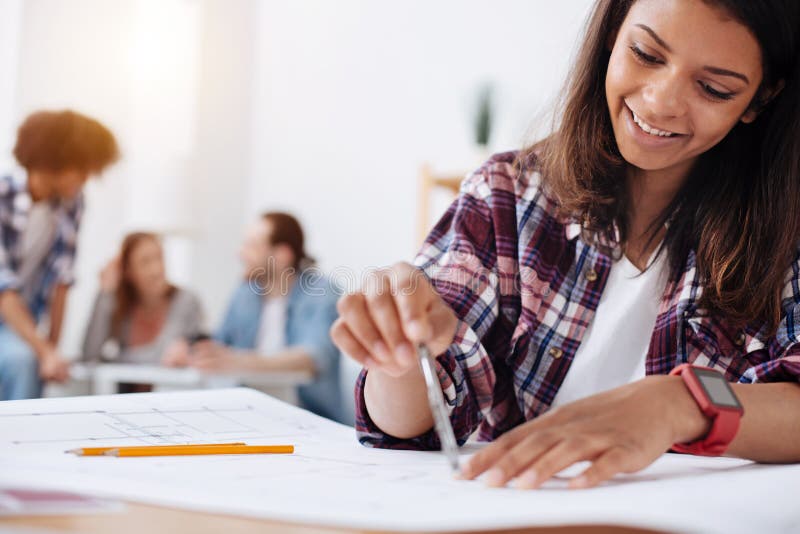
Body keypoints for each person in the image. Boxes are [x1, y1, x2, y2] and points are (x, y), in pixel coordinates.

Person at [331, 0, 800, 490]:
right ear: (612, 35)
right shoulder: (508, 197)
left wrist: (681, 404)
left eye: (713, 88)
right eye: (645, 53)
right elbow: (413, 426)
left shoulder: (786, 229)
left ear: (760, 99)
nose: (661, 102)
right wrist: (401, 359)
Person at [165, 212, 343, 422]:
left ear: (281, 255)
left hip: (308, 417)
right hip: (246, 412)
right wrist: (193, 350)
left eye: (252, 246)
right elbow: (222, 343)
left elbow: (311, 359)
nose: (241, 253)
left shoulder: (321, 292)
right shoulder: (246, 293)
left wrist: (238, 361)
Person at [0, 110, 119, 401]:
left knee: (30, 362)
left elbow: (61, 281)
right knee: (22, 361)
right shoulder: (3, 196)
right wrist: (44, 351)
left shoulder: (71, 204)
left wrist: (51, 353)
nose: (86, 178)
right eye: (82, 169)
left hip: (20, 327)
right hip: (10, 314)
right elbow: (4, 288)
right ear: (52, 162)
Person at [82, 232, 205, 371]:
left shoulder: (186, 301)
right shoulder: (121, 306)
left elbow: (161, 357)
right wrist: (104, 293)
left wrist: (115, 360)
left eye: (159, 258)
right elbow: (90, 356)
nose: (156, 269)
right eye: (145, 262)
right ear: (127, 271)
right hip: (128, 391)